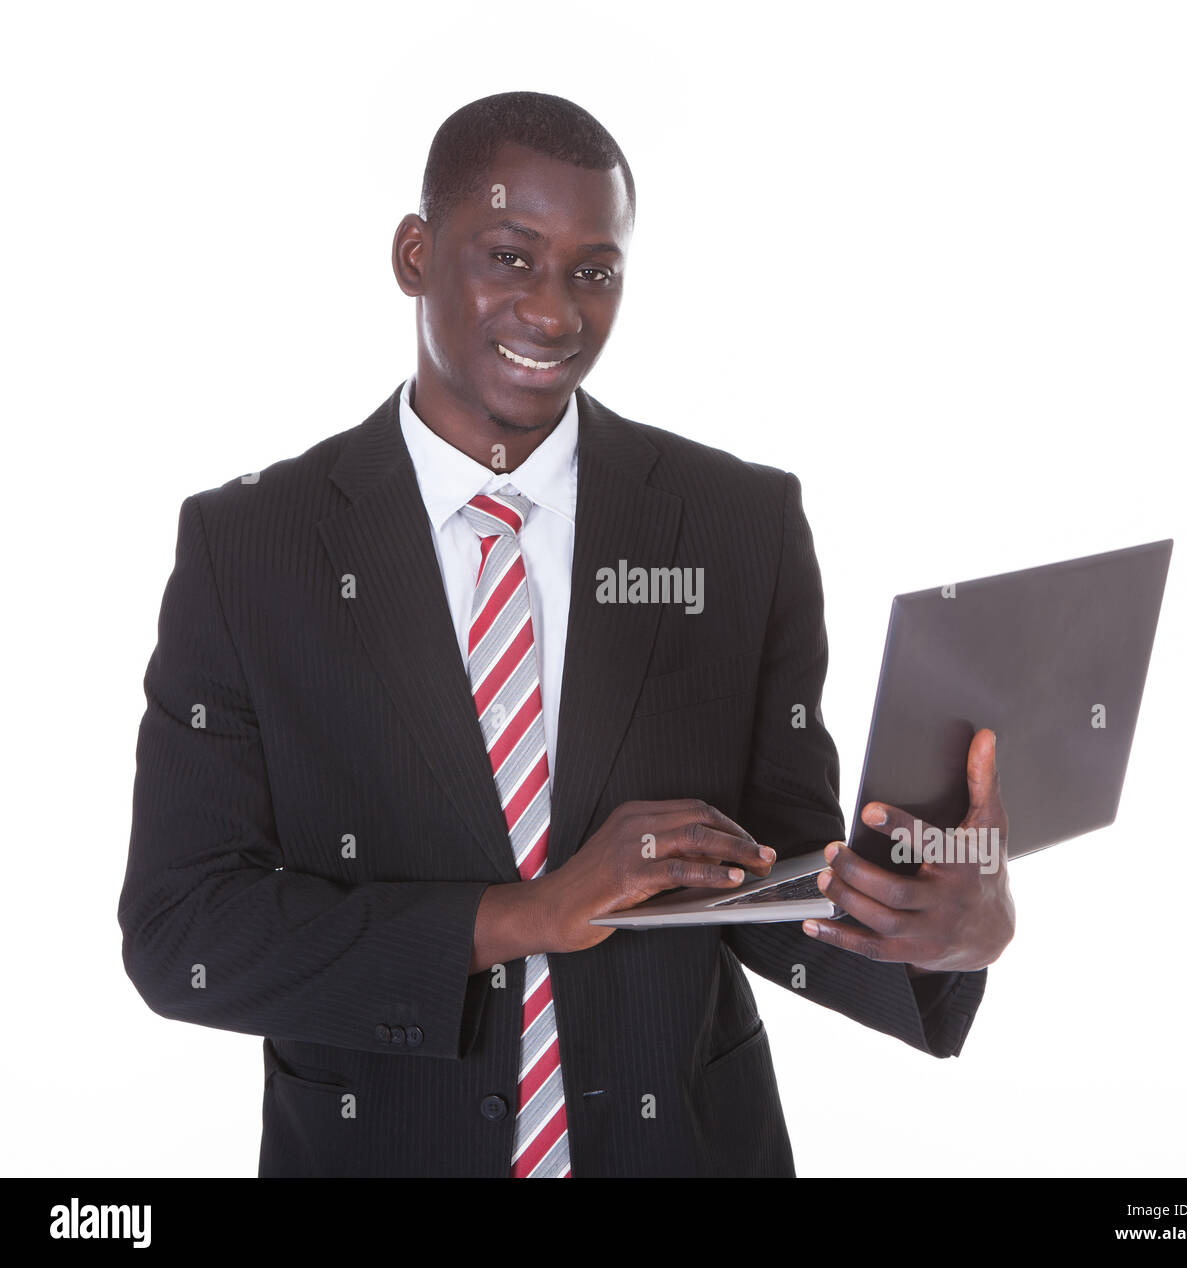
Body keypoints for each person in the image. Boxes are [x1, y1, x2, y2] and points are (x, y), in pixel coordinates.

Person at [118, 91, 1015, 1178]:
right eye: (510, 256)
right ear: (414, 252)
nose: (554, 312)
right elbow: (183, 932)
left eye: (594, 270)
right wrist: (524, 913)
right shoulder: (252, 546)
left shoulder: (734, 524)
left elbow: (765, 875)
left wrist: (932, 936)